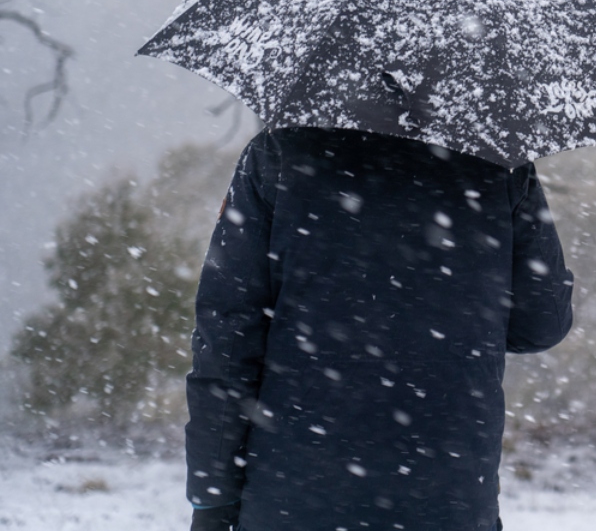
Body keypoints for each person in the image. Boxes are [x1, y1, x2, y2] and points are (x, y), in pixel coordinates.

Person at [185, 127, 573, 531]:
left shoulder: (280, 150)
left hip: (294, 494)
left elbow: (228, 337)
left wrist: (213, 496)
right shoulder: (497, 161)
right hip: (448, 494)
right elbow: (543, 324)